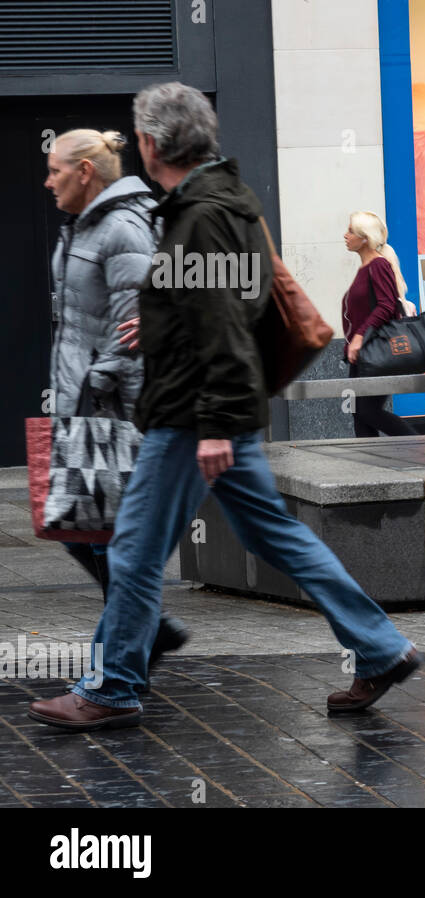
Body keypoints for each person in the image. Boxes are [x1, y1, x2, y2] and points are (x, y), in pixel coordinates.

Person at [28, 82, 421, 732]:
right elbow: (223, 300)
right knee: (276, 533)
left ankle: (114, 684)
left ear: (152, 145)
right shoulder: (224, 201)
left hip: (192, 414)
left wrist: (212, 426)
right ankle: (380, 647)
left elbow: (224, 329)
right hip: (219, 412)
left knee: (131, 549)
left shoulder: (200, 215)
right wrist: (156, 321)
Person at [43, 127, 190, 669]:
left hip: (110, 406)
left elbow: (136, 327)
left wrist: (93, 386)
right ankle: (147, 630)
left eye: (56, 170)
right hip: (82, 397)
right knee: (78, 528)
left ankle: (122, 666)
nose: (47, 180)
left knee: (101, 532)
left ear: (85, 172)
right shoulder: (85, 225)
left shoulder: (123, 226)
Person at [342, 210, 419, 437]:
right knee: (359, 413)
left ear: (365, 238)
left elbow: (386, 306)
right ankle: (370, 469)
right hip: (363, 352)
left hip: (376, 351)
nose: (345, 236)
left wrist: (358, 337)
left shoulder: (378, 265)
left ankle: (418, 446)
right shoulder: (365, 268)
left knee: (367, 411)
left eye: (350, 231)